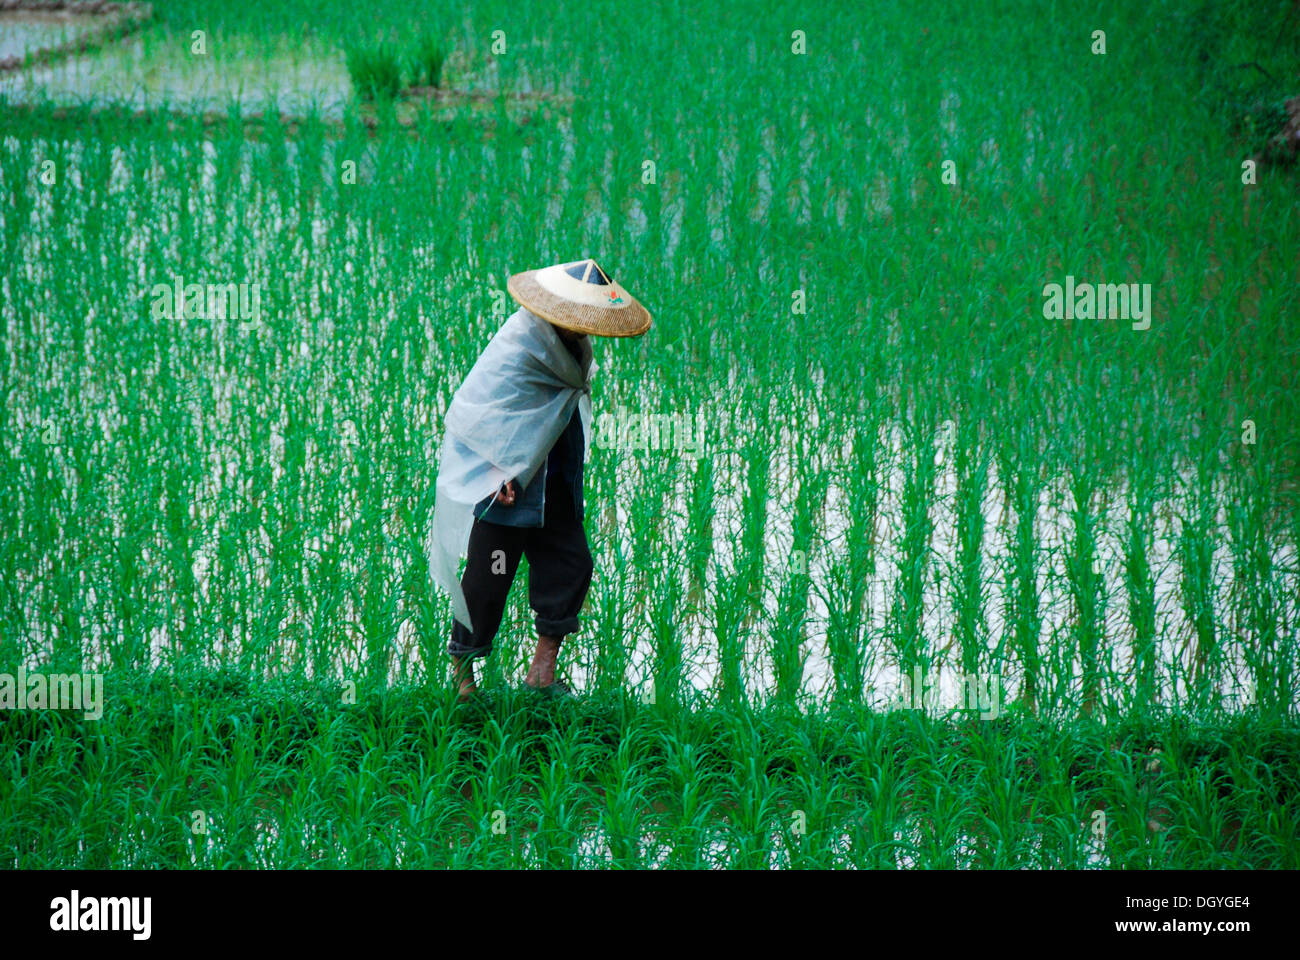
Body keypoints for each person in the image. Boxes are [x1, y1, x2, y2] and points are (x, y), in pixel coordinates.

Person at [427, 259, 652, 701]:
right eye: (578, 323)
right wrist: (496, 470)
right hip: (508, 487)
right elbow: (478, 411)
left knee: (569, 567)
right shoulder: (519, 346)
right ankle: (462, 680)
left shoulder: (571, 348)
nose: (584, 332)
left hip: (557, 477)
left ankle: (541, 675)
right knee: (488, 576)